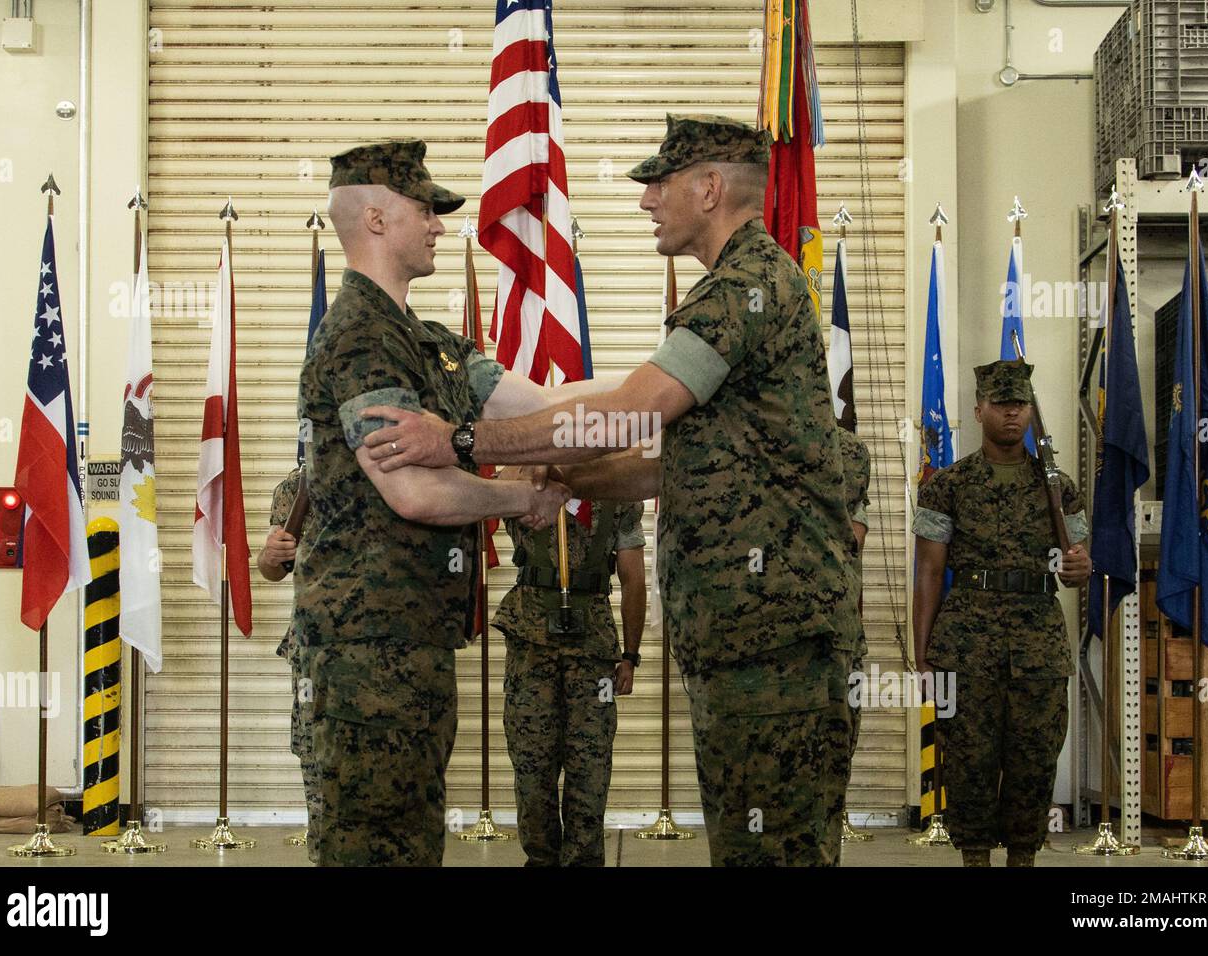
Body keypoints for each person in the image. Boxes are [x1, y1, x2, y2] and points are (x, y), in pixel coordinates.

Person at [358, 114, 862, 866]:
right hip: (755, 642)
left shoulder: (745, 289)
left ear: (711, 188)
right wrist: (559, 479)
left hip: (777, 646)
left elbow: (629, 415)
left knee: (773, 853)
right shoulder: (744, 285)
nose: (646, 201)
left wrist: (461, 438)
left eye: (659, 184)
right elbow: (671, 465)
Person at [295, 139, 585, 866]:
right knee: (373, 846)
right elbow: (415, 491)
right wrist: (518, 499)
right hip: (368, 652)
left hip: (412, 645)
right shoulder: (360, 336)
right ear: (375, 217)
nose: (438, 224)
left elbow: (548, 402)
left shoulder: (428, 345)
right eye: (425, 209)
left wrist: (670, 391)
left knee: (412, 840)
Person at [911, 358, 1091, 867]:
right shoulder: (948, 485)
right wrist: (923, 659)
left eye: (1021, 405)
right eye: (1002, 404)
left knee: (1034, 762)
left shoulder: (1057, 486)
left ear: (1031, 412)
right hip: (967, 645)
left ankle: (1023, 858)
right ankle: (974, 859)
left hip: (1037, 643)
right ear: (979, 410)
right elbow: (928, 573)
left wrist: (1078, 568)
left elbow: (1075, 564)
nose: (1013, 414)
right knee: (968, 761)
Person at [493, 498, 646, 866]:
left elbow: (634, 580)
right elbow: (496, 482)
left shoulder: (619, 502)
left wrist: (630, 655)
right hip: (531, 645)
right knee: (532, 767)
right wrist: (542, 463)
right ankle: (541, 860)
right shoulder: (525, 488)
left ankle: (582, 862)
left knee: (590, 771)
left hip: (592, 653)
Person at [256, 466, 320, 861]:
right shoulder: (297, 488)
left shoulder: (396, 473)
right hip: (313, 646)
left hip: (386, 650)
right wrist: (270, 554)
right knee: (315, 757)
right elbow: (272, 570)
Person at [837, 427, 871, 836]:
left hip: (836, 637)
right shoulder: (746, 436)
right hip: (761, 642)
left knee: (833, 755)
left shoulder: (848, 453)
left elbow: (850, 542)